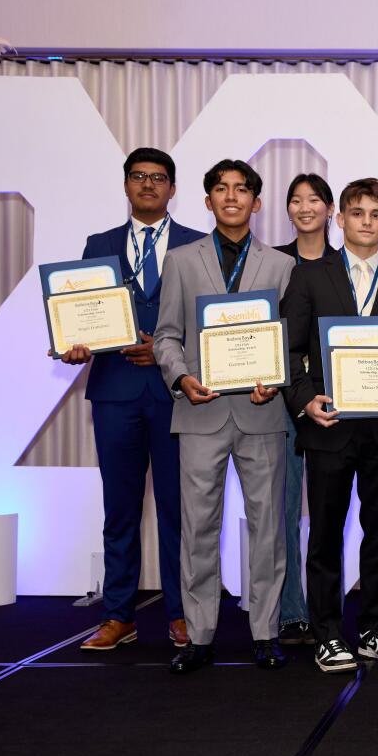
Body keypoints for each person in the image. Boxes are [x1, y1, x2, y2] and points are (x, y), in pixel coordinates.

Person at [153, 159, 295, 674]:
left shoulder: (281, 266)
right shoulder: (181, 261)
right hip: (199, 409)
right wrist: (181, 376)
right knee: (198, 528)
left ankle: (266, 633)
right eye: (221, 189)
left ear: (257, 203)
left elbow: (288, 344)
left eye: (242, 190)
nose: (231, 197)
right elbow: (167, 334)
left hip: (262, 411)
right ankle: (199, 635)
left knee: (268, 529)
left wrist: (275, 379)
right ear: (208, 200)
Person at [60, 147, 203, 652]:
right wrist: (76, 345)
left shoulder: (197, 245)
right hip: (115, 392)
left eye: (158, 178)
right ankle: (118, 615)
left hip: (174, 394)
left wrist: (166, 351)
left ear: (172, 188)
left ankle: (181, 613)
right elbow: (80, 317)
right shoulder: (98, 244)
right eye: (139, 177)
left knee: (176, 509)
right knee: (119, 509)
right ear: (125, 185)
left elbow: (205, 322)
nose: (148, 184)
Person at [280, 178, 378, 673]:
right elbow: (290, 350)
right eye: (357, 212)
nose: (366, 221)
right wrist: (304, 401)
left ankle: (375, 629)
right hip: (329, 424)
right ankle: (326, 633)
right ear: (340, 219)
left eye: (376, 213)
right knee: (325, 534)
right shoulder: (310, 276)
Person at [272, 172, 337, 646]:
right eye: (296, 200)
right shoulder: (272, 264)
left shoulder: (346, 264)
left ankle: (326, 614)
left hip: (337, 403)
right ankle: (291, 609)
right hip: (286, 400)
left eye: (314, 199)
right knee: (287, 507)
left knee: (329, 514)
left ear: (330, 208)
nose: (305, 207)